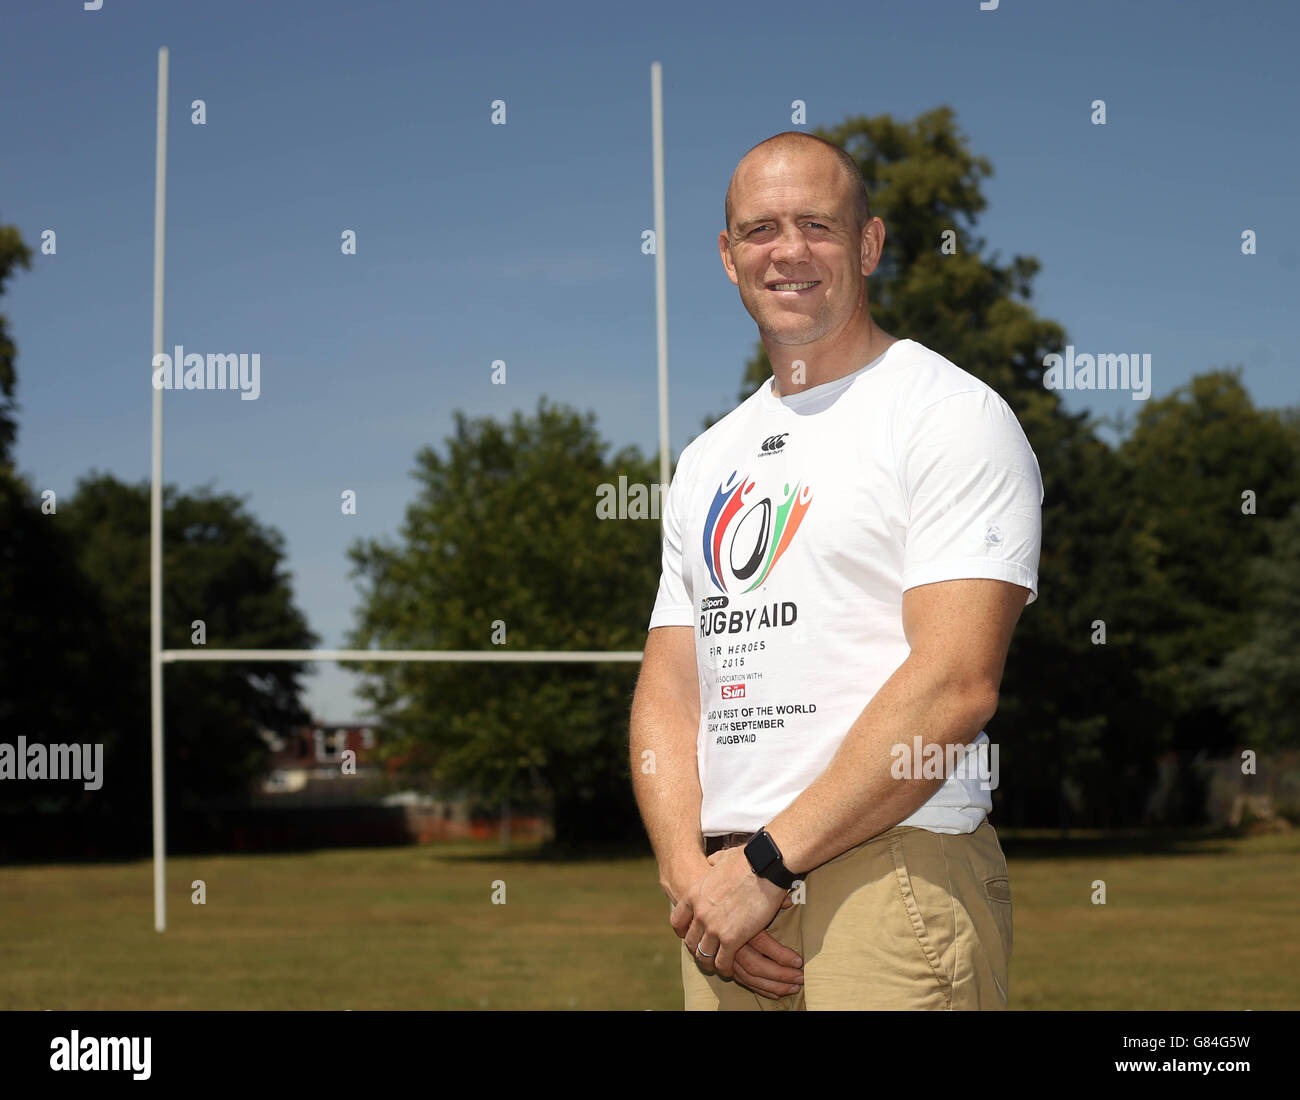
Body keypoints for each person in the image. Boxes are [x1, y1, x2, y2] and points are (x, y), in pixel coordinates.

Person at [628, 131, 1043, 1010]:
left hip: (891, 874)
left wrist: (770, 862)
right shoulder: (707, 460)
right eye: (760, 229)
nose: (788, 251)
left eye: (817, 224)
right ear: (727, 254)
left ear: (869, 244)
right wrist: (691, 880)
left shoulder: (947, 415)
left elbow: (955, 683)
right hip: (725, 904)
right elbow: (669, 690)